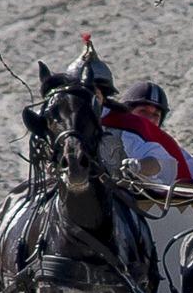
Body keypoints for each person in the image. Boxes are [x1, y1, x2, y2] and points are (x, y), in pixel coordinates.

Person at [64, 36, 184, 186]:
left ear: (103, 95)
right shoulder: (59, 124)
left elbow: (160, 161)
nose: (86, 100)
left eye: (92, 93)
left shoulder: (124, 129)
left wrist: (139, 166)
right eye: (79, 94)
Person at [119, 80, 193, 189]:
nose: (150, 119)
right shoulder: (113, 138)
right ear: (127, 111)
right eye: (143, 111)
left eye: (155, 115)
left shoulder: (175, 151)